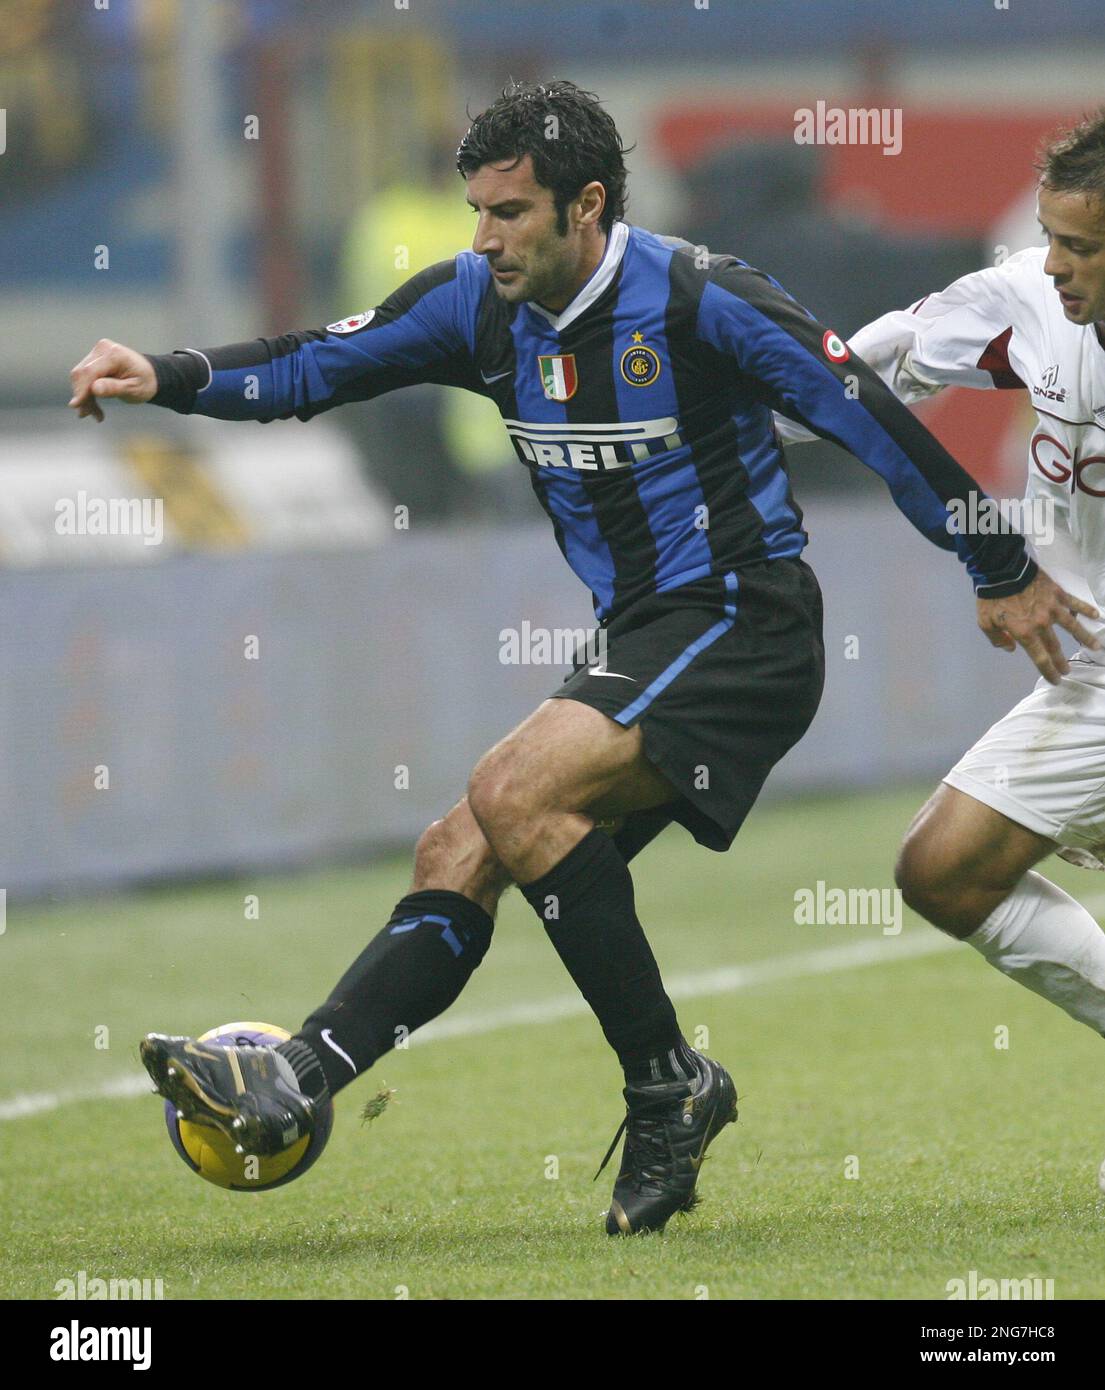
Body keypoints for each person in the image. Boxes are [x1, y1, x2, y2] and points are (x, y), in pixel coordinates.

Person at [69, 81, 1093, 1235]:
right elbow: (316, 366)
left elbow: (868, 417)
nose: (483, 237)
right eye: (476, 209)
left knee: (513, 791)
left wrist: (996, 566)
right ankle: (297, 1079)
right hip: (643, 635)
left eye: (509, 212)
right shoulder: (474, 304)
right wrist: (170, 373)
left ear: (587, 205)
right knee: (460, 843)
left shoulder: (700, 299)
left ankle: (668, 1085)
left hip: (744, 625)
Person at [780, 109, 1105, 1189]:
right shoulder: (1028, 300)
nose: (1055, 265)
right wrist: (750, 411)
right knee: (943, 872)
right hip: (1087, 667)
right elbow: (890, 361)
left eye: (1082, 248)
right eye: (1053, 238)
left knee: (944, 864)